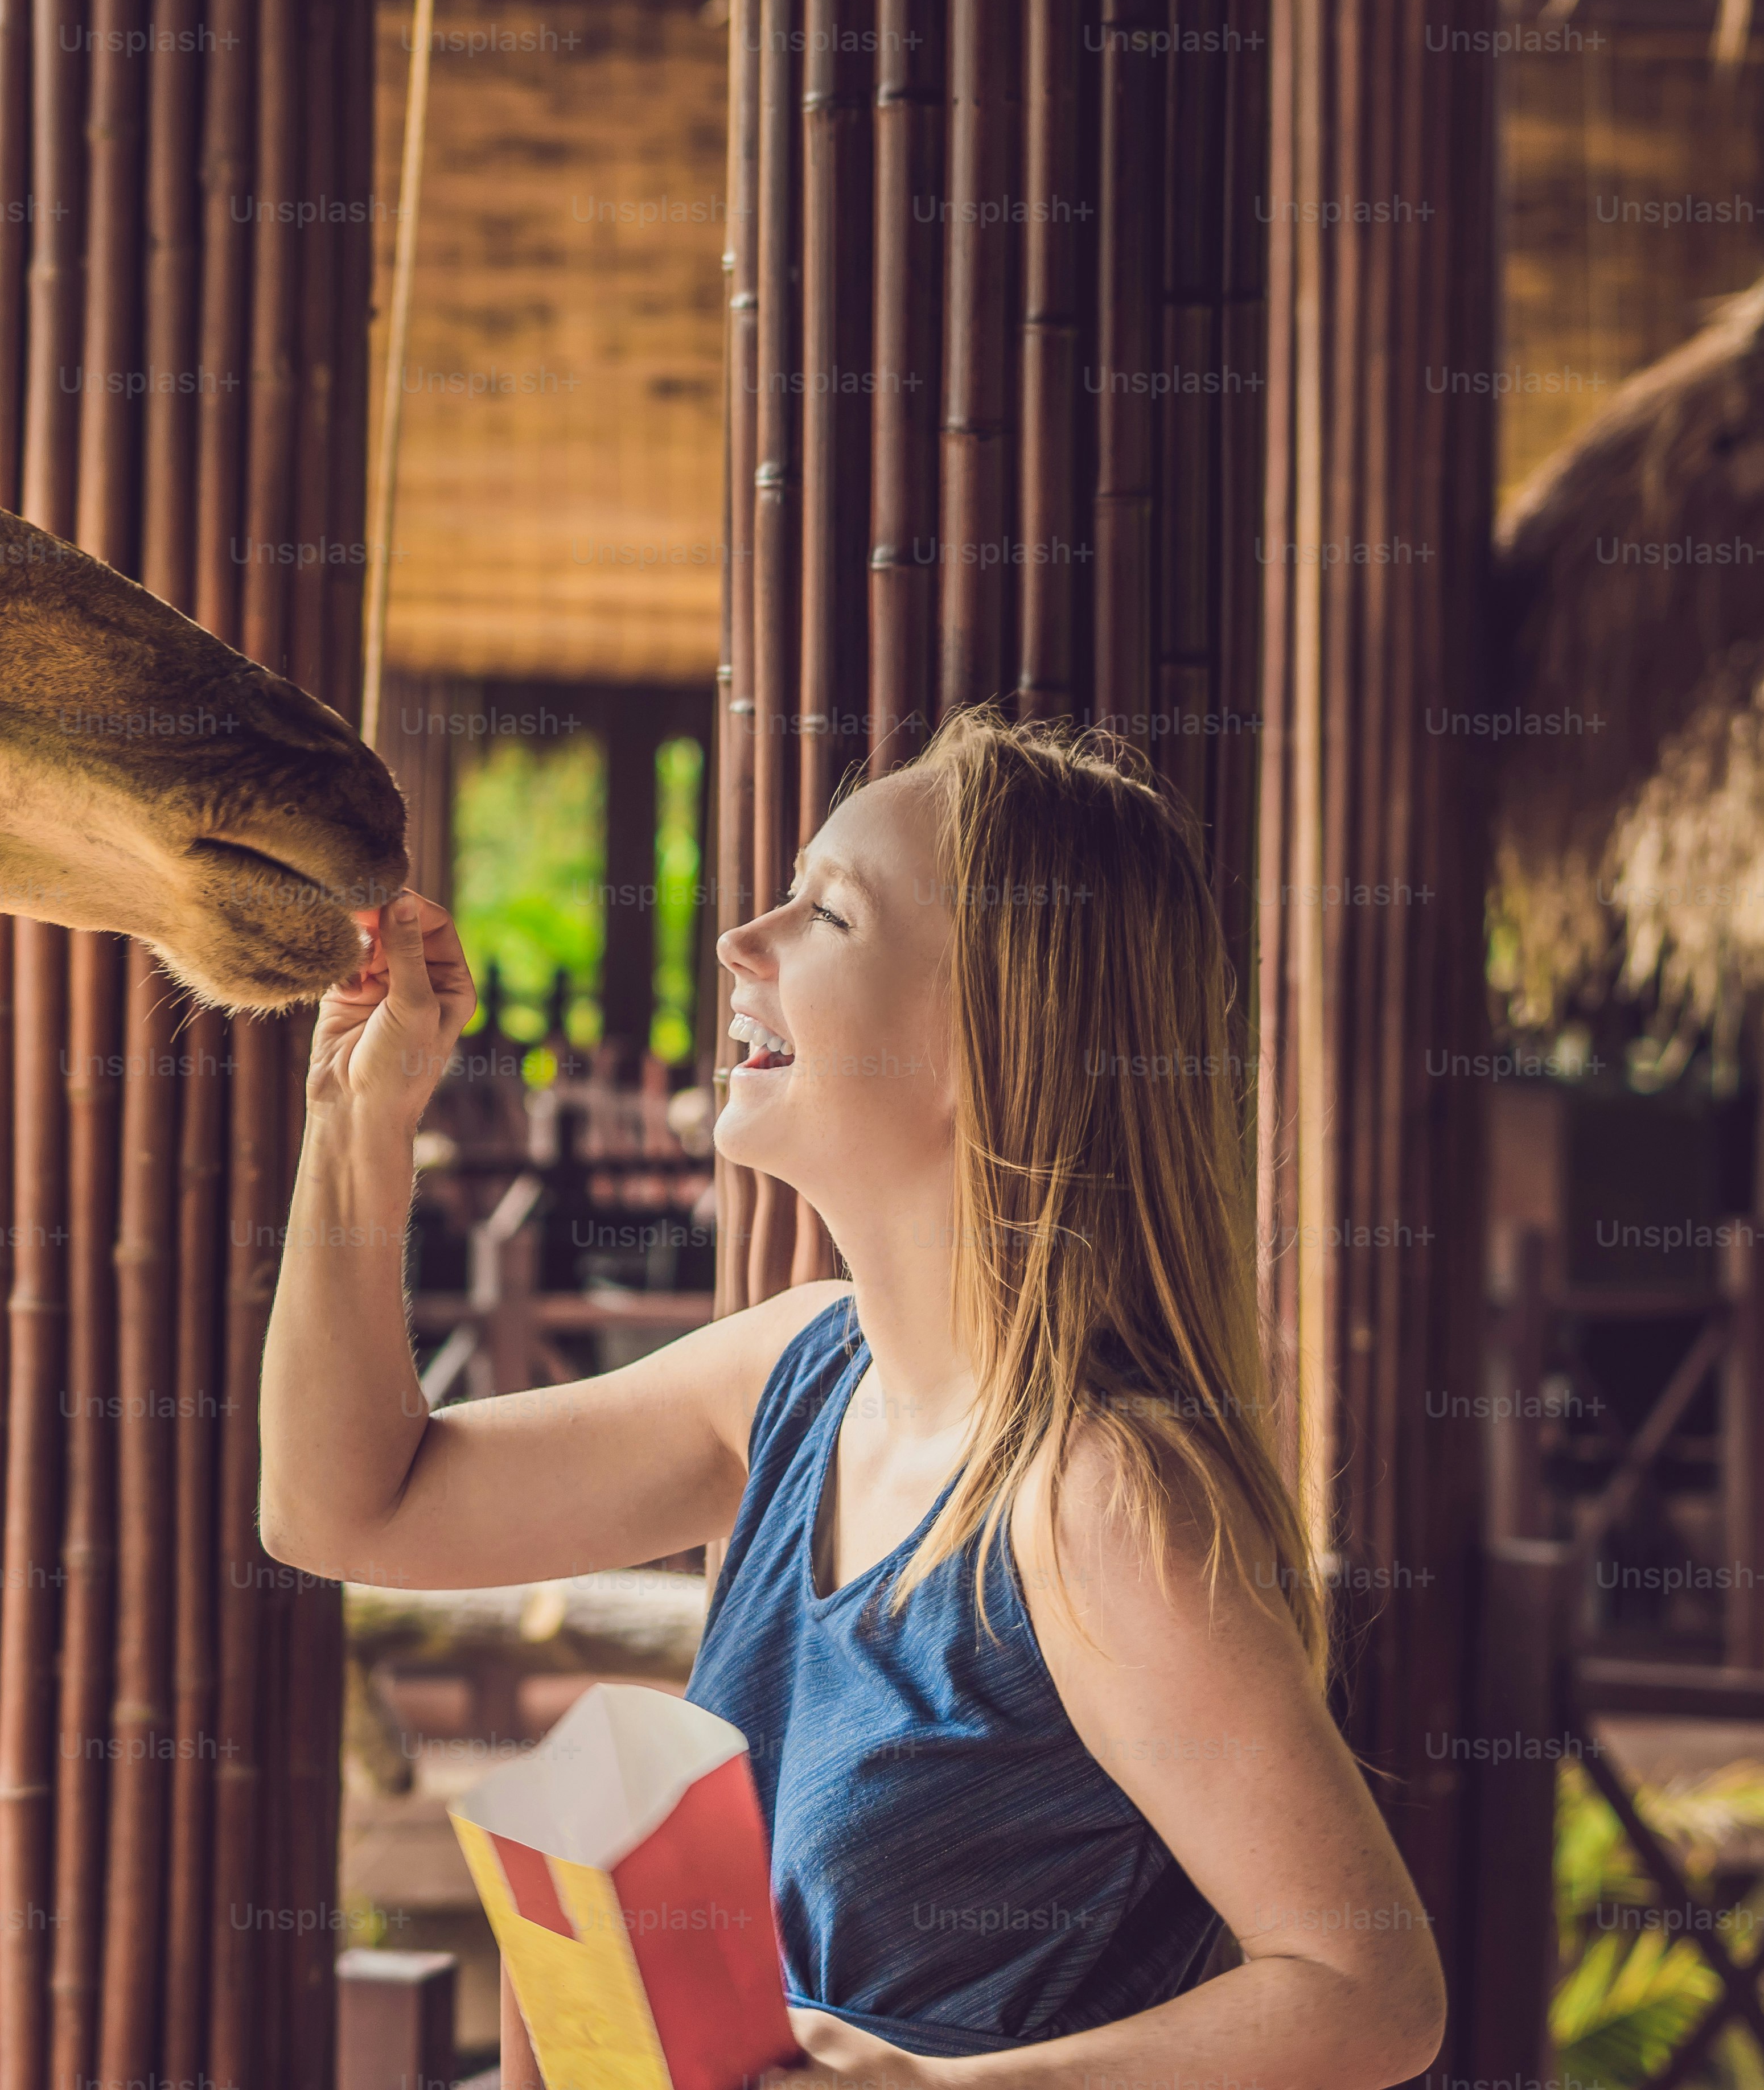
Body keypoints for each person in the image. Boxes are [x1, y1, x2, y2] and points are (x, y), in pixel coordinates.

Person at [261, 705, 1446, 2085]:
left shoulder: (1099, 1496)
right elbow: (345, 1506)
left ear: (994, 1032)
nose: (737, 939)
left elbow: (1366, 1986)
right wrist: (357, 1124)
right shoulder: (796, 1373)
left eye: (826, 914)